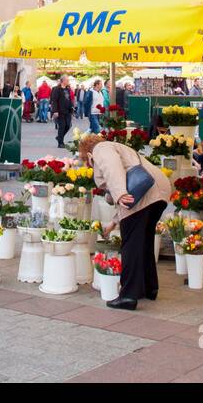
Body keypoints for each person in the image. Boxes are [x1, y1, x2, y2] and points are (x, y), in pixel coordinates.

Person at [78, 132, 170, 310]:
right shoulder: (116, 147)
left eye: (88, 162)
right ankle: (149, 288)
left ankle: (128, 295)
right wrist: (114, 221)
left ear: (88, 154)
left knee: (131, 244)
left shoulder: (101, 149)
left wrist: (119, 193)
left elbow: (112, 168)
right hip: (157, 192)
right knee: (144, 241)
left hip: (144, 194)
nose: (90, 166)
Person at [52, 75, 75, 147]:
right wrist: (55, 111)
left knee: (68, 125)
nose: (68, 81)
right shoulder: (57, 89)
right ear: (63, 81)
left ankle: (59, 137)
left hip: (68, 111)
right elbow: (54, 100)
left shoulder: (68, 89)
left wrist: (72, 107)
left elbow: (69, 99)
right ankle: (60, 143)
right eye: (67, 80)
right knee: (62, 126)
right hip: (60, 111)